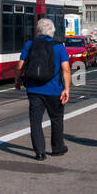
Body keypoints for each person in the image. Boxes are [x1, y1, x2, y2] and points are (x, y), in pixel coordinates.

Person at [15, 18, 71, 161]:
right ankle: (58, 148)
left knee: (35, 121)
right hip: (54, 90)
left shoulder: (30, 44)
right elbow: (66, 69)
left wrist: (17, 81)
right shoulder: (59, 47)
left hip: (34, 90)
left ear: (38, 31)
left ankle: (40, 152)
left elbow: (20, 65)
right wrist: (67, 89)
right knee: (57, 119)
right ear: (52, 31)